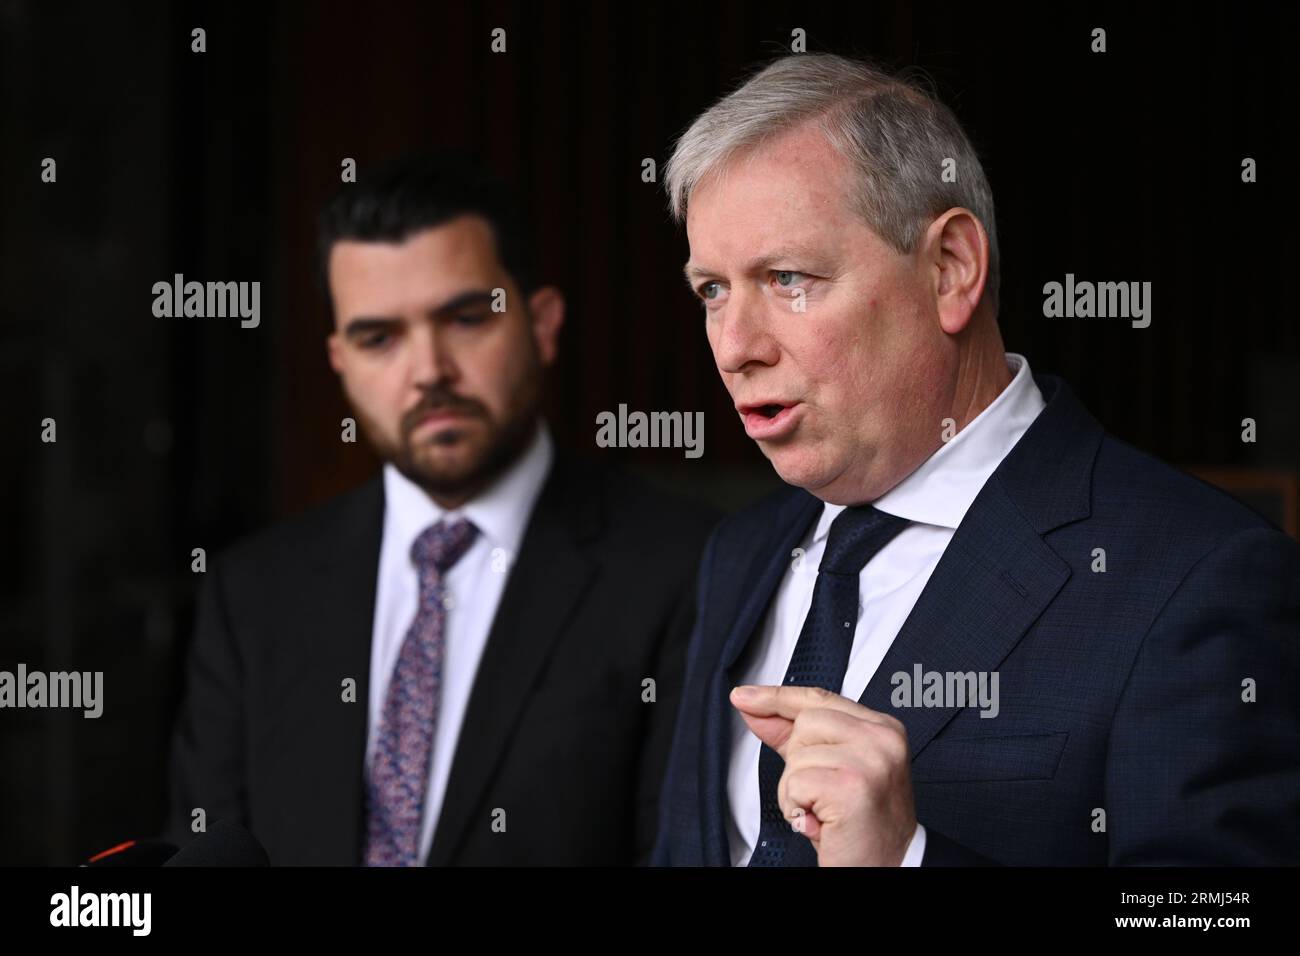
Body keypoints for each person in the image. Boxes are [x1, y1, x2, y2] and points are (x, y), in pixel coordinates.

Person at [652, 54, 1300, 866]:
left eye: (788, 279)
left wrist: (908, 860)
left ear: (951, 269)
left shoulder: (1198, 577)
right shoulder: (739, 555)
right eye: (712, 290)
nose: (734, 348)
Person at [166, 153, 717, 865]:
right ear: (340, 361)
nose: (428, 370)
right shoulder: (253, 594)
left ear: (542, 324)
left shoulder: (687, 567)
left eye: (464, 318)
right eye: (378, 338)